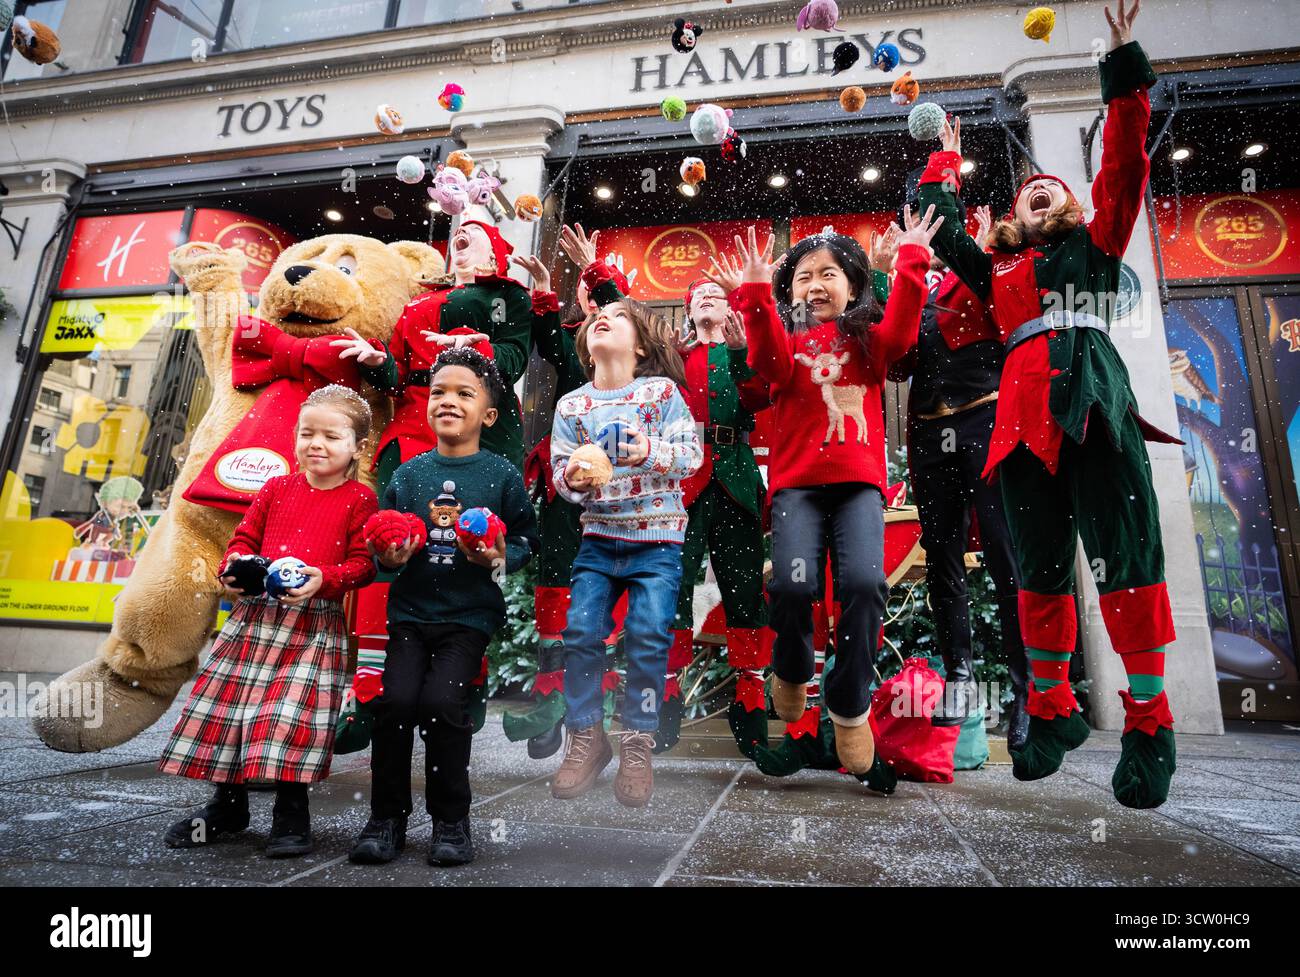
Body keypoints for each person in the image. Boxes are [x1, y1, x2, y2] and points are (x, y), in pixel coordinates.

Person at [917, 0, 1179, 808]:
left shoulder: (1096, 245)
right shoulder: (994, 276)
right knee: (1036, 569)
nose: (1035, 193)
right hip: (1020, 430)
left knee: (1126, 557)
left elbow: (1124, 165)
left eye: (1048, 190)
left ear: (1066, 210)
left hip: (1093, 406)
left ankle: (1148, 720)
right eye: (1025, 192)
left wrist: (1124, 65)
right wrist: (944, 163)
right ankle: (1054, 704)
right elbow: (945, 234)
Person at [708, 215, 943, 774]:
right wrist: (757, 295)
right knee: (793, 585)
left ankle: (850, 706)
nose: (816, 284)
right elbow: (766, 365)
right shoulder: (786, 342)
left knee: (864, 585)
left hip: (859, 487)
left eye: (829, 273)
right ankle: (790, 670)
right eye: (804, 276)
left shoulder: (868, 338)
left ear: (854, 285)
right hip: (797, 489)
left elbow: (905, 333)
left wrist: (909, 263)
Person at [334, 218, 532, 751]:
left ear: (498, 251)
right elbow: (398, 370)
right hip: (408, 429)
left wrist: (476, 346)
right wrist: (381, 364)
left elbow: (513, 360)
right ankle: (370, 691)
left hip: (472, 433)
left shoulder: (507, 297)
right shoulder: (422, 298)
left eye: (476, 232)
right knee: (388, 544)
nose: (462, 235)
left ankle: (468, 676)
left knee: (470, 543)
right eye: (458, 232)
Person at [159, 384, 379, 857]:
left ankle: (291, 813)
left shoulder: (359, 500)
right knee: (233, 712)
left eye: (331, 436)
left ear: (358, 447)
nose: (315, 444)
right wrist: (237, 569)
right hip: (255, 620)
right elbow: (243, 540)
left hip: (313, 625)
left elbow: (364, 565)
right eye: (306, 433)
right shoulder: (275, 488)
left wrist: (324, 578)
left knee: (288, 718)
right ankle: (228, 804)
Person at [348, 347, 539, 867]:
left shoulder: (500, 475)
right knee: (394, 705)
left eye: (464, 393)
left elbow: (524, 541)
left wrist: (499, 558)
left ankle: (451, 822)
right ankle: (386, 819)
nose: (448, 401)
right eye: (438, 392)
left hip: (467, 618)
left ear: (489, 414)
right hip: (409, 616)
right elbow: (381, 545)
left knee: (441, 708)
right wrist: (389, 555)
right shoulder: (409, 476)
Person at [884, 199, 1031, 748]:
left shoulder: (985, 273)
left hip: (985, 421)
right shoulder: (912, 289)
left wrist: (985, 242)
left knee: (1002, 553)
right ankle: (961, 677)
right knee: (941, 559)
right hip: (928, 433)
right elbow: (894, 363)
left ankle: (1025, 688)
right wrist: (894, 276)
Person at [549, 298, 703, 807]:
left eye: (618, 316)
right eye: (597, 316)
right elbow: (561, 475)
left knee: (647, 635)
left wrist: (649, 450)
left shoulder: (660, 393)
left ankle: (638, 740)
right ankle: (587, 737)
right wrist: (571, 479)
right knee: (581, 632)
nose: (603, 318)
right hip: (598, 538)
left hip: (657, 539)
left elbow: (690, 456)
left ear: (639, 346)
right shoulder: (572, 405)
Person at [502, 232, 631, 758]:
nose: (594, 302)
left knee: (607, 584)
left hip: (622, 482)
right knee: (555, 575)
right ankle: (553, 694)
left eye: (598, 294)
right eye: (585, 292)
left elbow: (619, 309)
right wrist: (542, 288)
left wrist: (593, 268)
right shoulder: (571, 340)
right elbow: (548, 335)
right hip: (566, 477)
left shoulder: (630, 347)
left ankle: (592, 718)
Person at [665, 278, 773, 756]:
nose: (707, 296)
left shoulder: (744, 352)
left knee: (745, 587)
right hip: (683, 481)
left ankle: (750, 695)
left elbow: (760, 397)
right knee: (673, 584)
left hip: (737, 480)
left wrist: (741, 349)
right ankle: (665, 696)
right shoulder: (673, 358)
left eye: (717, 292)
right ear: (688, 310)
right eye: (699, 294)